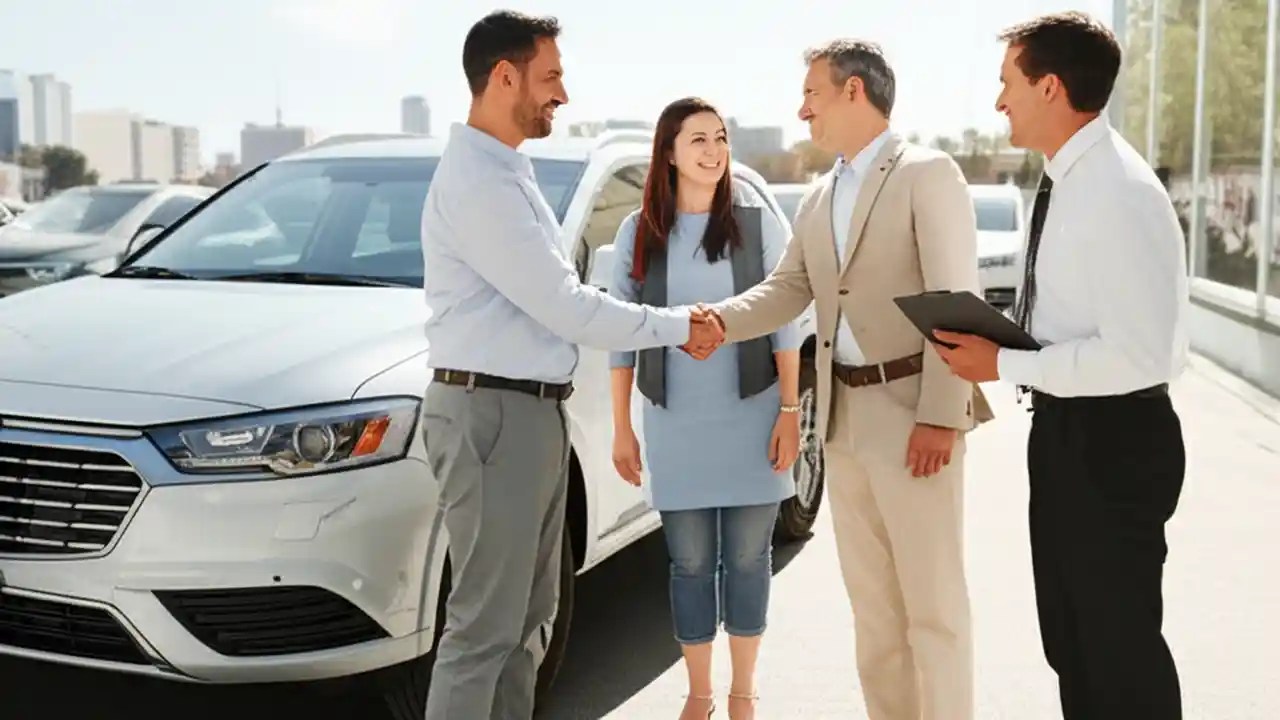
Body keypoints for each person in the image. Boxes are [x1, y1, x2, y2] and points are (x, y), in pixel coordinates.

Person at [418, 11, 724, 720]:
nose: (563, 94)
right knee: (484, 629)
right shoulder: (479, 184)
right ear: (504, 76)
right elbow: (564, 304)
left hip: (526, 414)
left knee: (529, 624)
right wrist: (679, 326)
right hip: (493, 417)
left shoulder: (503, 171)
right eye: (551, 76)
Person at [699, 40, 992, 720]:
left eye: (813, 93)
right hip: (843, 424)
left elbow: (956, 297)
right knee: (875, 615)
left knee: (934, 609)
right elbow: (787, 290)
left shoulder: (927, 172)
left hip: (914, 411)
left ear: (855, 91)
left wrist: (942, 414)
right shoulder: (819, 197)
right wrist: (712, 321)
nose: (803, 109)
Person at [934, 12, 1190, 719]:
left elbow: (1137, 355)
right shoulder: (1070, 180)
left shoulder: (1119, 191)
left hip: (1113, 442)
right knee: (1075, 647)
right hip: (1072, 438)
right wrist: (1004, 351)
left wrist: (1009, 361)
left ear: (1049, 87)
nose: (998, 101)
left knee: (1118, 656)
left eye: (1007, 83)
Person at [607, 97, 802, 720]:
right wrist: (621, 430)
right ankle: (699, 693)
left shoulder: (756, 221)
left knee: (748, 558)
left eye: (720, 138)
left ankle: (743, 691)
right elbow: (622, 336)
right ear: (668, 151)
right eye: (698, 139)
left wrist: (791, 412)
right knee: (689, 563)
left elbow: (787, 323)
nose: (714, 150)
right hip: (675, 422)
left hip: (754, 413)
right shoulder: (637, 233)